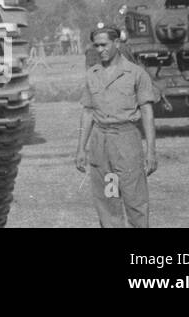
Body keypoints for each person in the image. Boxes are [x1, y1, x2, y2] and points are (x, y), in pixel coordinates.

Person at [76, 26, 157, 227]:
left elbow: (147, 112)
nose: (100, 49)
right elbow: (87, 112)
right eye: (97, 46)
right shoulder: (92, 74)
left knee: (135, 200)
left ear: (117, 43)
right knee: (108, 201)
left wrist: (151, 151)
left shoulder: (136, 73)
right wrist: (81, 149)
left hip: (126, 141)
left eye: (104, 44)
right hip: (101, 145)